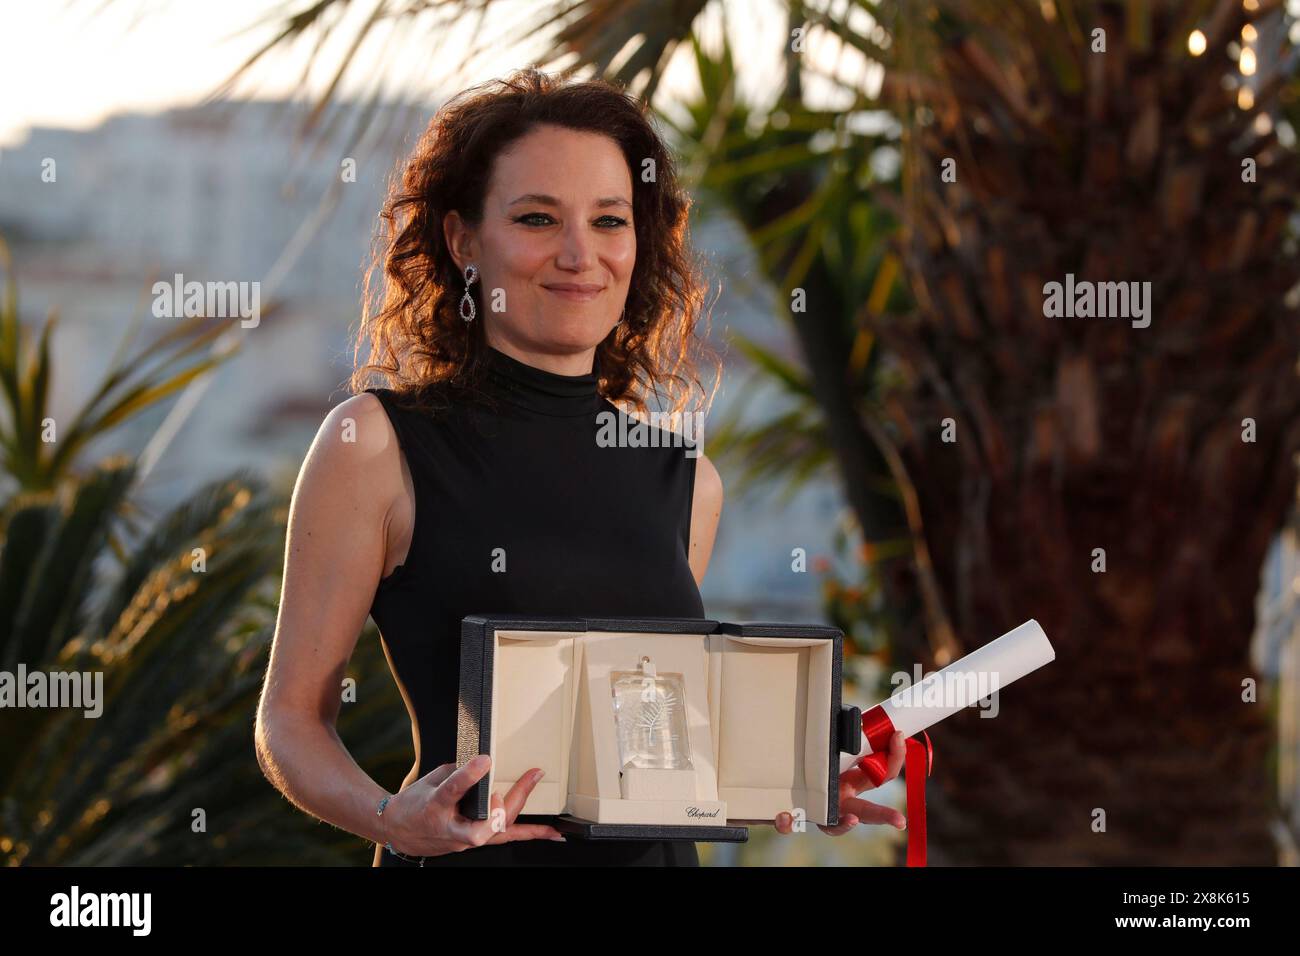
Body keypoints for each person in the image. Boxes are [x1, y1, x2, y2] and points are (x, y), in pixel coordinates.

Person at [254, 68, 906, 867]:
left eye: (609, 220)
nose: (579, 254)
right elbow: (288, 722)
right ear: (463, 241)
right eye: (537, 218)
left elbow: (654, 749)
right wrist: (390, 817)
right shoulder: (377, 444)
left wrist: (798, 776)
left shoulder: (684, 479)